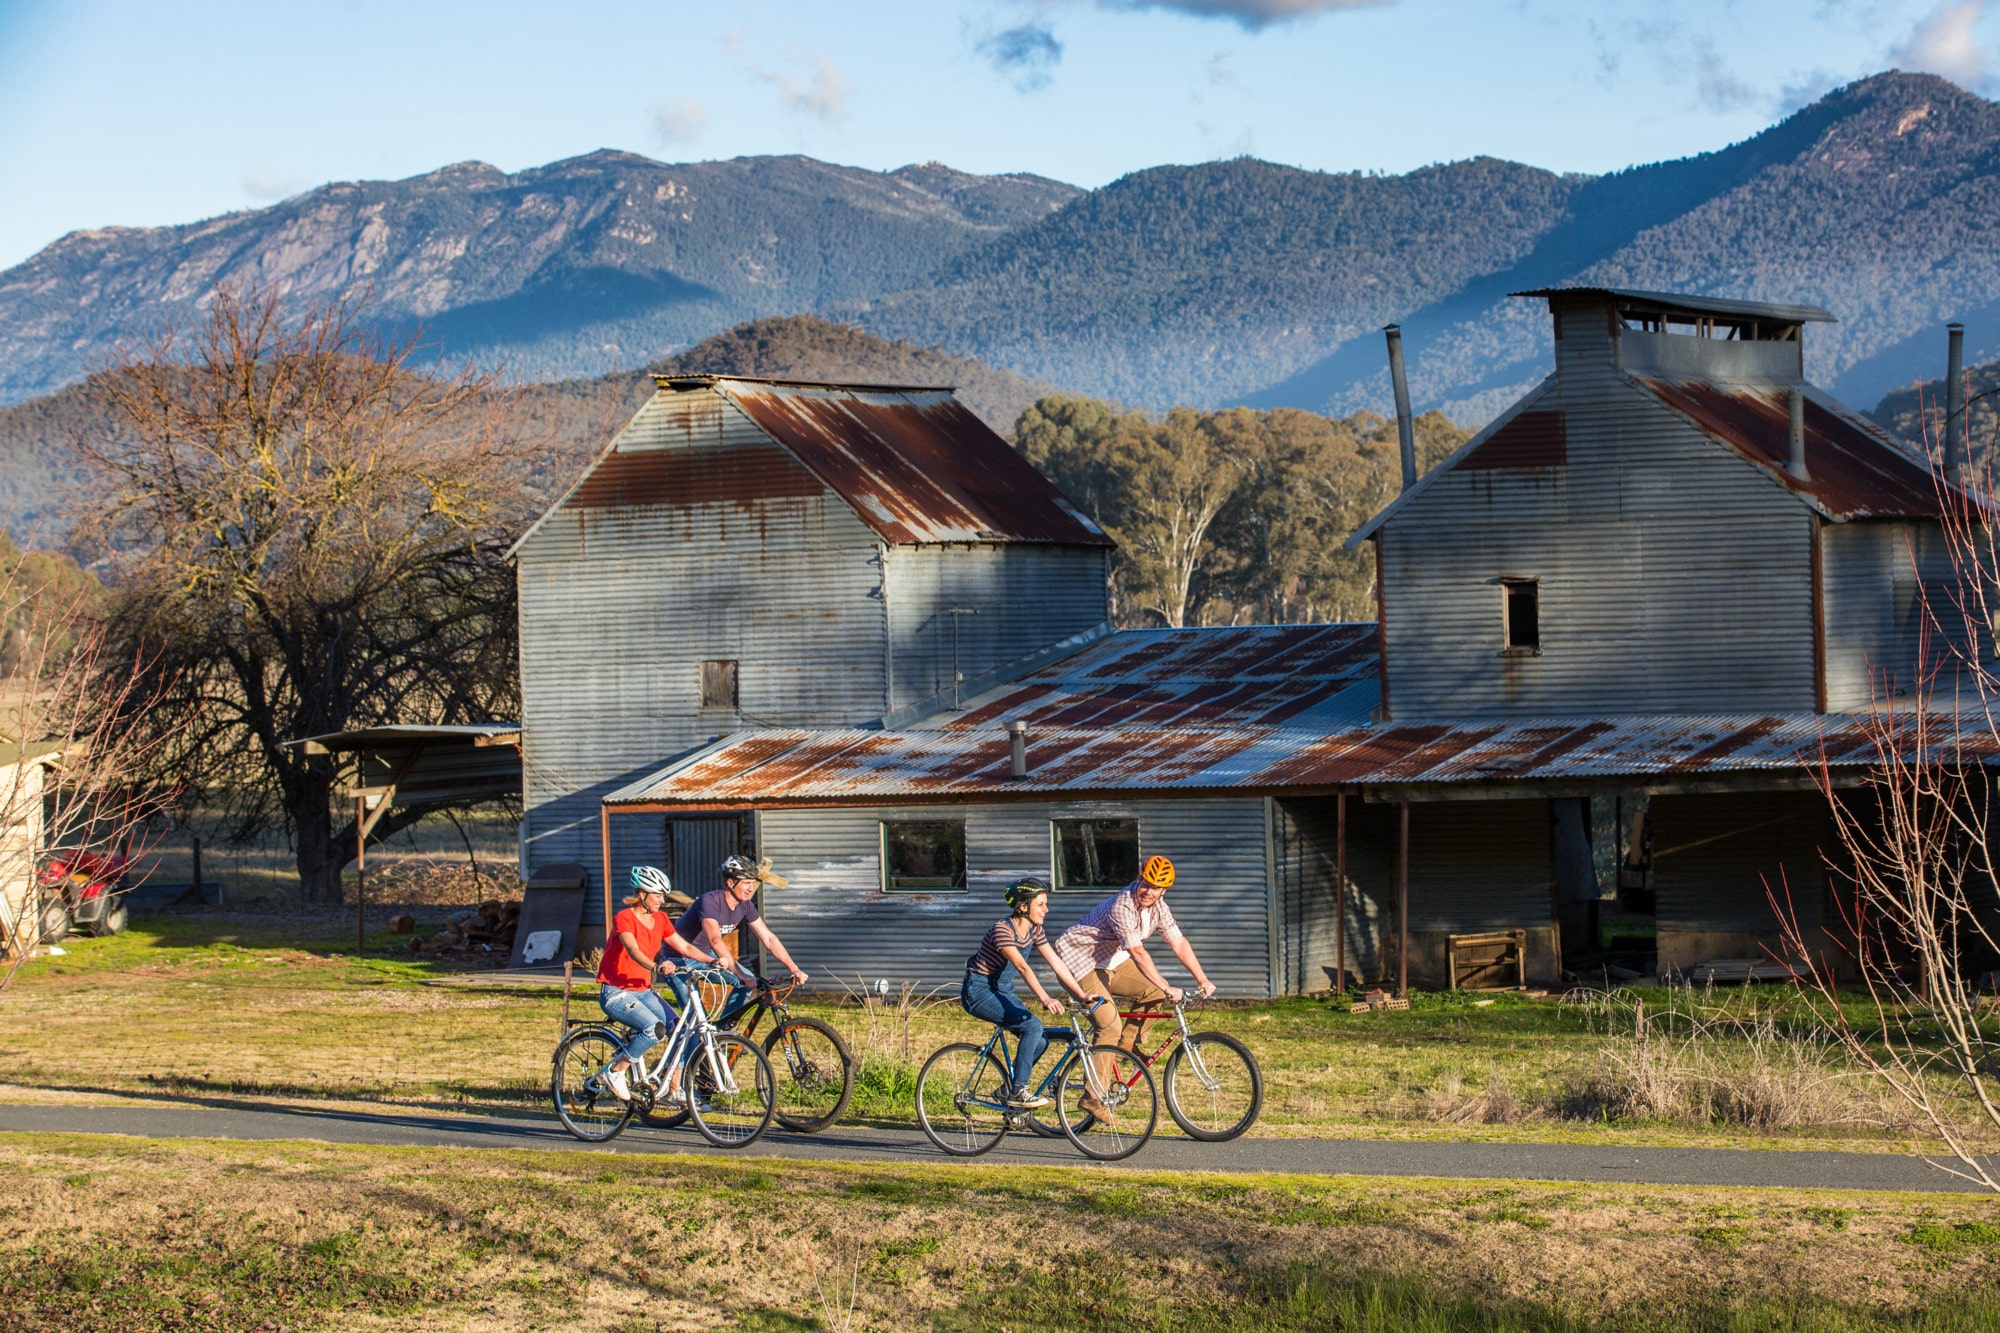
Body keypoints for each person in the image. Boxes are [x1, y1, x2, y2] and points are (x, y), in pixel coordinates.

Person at [1053, 854, 1217, 1117]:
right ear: (1138, 879)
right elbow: (1138, 953)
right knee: (1109, 1025)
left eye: (1156, 888)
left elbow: (1178, 942)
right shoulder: (1123, 906)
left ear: (1164, 890)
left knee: (1152, 992)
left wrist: (1202, 979)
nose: (1149, 892)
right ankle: (1093, 1097)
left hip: (1111, 961)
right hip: (1080, 962)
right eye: (1146, 884)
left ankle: (1123, 1049)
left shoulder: (1159, 907)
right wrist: (1167, 986)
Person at [960, 876, 1096, 1110]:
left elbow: (1056, 963)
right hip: (979, 992)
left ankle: (1007, 1089)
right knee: (1033, 1026)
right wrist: (1045, 998)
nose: (1046, 909)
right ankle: (1018, 1091)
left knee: (1040, 1040)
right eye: (1040, 904)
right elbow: (1022, 967)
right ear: (1023, 906)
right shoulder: (1002, 930)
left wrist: (1082, 995)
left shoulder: (1035, 930)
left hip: (1002, 989)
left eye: (1046, 904)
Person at [596, 865, 716, 1103]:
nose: (663, 900)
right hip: (617, 993)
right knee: (654, 1030)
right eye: (658, 895)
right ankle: (615, 1071)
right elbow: (633, 950)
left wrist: (712, 960)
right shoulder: (624, 918)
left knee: (680, 1031)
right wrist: (656, 966)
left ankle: (674, 1089)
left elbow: (685, 947)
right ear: (642, 894)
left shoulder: (660, 919)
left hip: (643, 991)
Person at [672, 853, 807, 1026]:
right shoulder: (710, 902)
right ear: (730, 883)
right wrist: (739, 973)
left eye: (752, 883)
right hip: (678, 960)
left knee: (746, 982)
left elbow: (768, 938)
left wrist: (794, 968)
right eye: (746, 883)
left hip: (705, 957)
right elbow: (715, 940)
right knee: (697, 1023)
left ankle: (723, 1033)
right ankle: (693, 1042)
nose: (751, 888)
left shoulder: (745, 906)